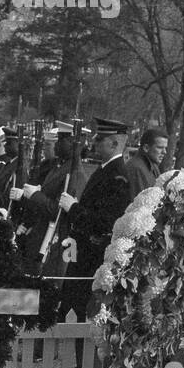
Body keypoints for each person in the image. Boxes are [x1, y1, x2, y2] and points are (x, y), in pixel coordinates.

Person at [59, 117, 132, 320]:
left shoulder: (118, 175)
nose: (94, 143)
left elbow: (105, 222)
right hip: (83, 251)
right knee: (72, 304)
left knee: (81, 308)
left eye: (100, 139)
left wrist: (73, 208)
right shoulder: (105, 169)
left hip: (93, 255)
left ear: (114, 143)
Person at [12, 124, 91, 276]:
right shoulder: (57, 168)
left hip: (55, 244)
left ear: (75, 144)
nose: (57, 143)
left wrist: (35, 195)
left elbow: (58, 211)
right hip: (39, 236)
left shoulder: (76, 174)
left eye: (62, 140)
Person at [125, 127, 168, 199]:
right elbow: (138, 205)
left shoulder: (153, 164)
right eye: (160, 147)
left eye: (165, 148)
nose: (164, 152)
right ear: (146, 148)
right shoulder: (136, 169)